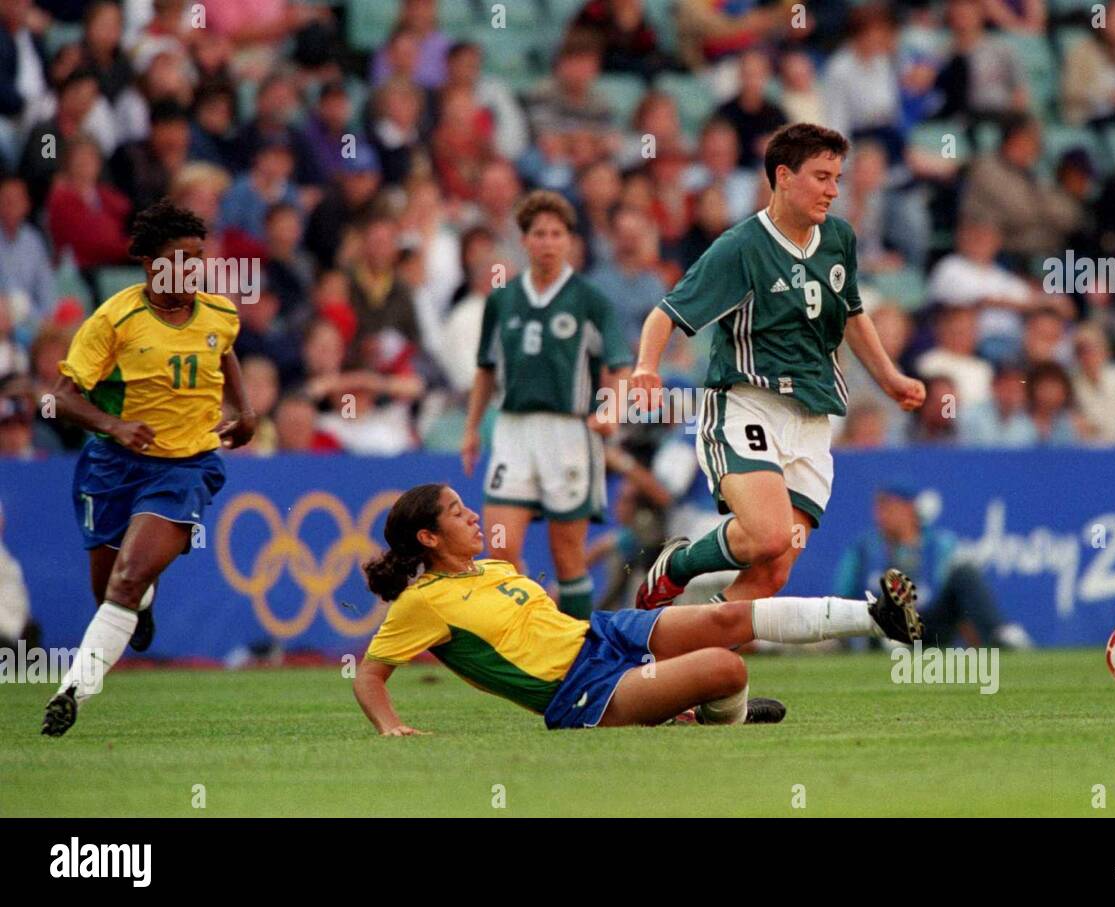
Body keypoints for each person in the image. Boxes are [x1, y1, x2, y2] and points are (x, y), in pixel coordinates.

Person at [630, 123, 925, 612]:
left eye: (837, 178)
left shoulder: (838, 239)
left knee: (774, 570)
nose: (833, 190)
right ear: (783, 177)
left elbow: (851, 312)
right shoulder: (742, 247)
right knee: (767, 535)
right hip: (748, 404)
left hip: (813, 418)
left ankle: (690, 664)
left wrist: (889, 377)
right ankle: (677, 564)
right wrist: (645, 368)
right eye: (821, 177)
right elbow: (666, 313)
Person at [353, 483, 924, 732]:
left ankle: (877, 617)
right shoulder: (420, 604)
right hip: (580, 692)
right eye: (456, 512)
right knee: (729, 668)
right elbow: (370, 676)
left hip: (602, 634)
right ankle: (716, 718)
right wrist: (391, 727)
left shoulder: (496, 568)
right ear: (428, 539)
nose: (472, 515)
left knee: (723, 622)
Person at [40, 200, 258, 737]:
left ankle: (73, 690)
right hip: (112, 465)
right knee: (111, 589)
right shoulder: (115, 319)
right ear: (150, 265)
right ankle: (145, 603)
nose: (191, 270)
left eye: (198, 260)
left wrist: (245, 411)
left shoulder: (218, 312)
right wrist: (114, 427)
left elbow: (223, 350)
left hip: (184, 465)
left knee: (128, 578)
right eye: (179, 260)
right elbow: (62, 399)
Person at [460, 191, 632, 620]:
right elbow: (485, 369)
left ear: (570, 241)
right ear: (525, 240)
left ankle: (575, 653)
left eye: (557, 233)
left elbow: (621, 366)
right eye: (539, 233)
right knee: (501, 549)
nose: (548, 242)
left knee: (567, 553)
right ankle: (527, 634)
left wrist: (611, 409)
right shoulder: (502, 300)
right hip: (513, 430)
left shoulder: (589, 299)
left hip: (570, 432)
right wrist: (471, 429)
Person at [834, 484, 1030, 651]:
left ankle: (1001, 633)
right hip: (884, 626)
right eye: (878, 509)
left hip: (930, 619)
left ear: (910, 509)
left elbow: (950, 593)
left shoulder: (942, 544)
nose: (881, 516)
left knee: (965, 574)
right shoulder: (863, 548)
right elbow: (843, 593)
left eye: (889, 508)